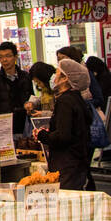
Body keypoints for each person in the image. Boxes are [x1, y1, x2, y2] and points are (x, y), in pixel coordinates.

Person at [36, 58, 93, 191]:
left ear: (65, 78)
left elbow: (63, 136)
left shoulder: (65, 102)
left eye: (56, 73)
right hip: (77, 163)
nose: (53, 78)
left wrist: (42, 135)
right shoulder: (77, 99)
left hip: (66, 165)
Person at [0, 41, 32, 135]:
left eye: (8, 56)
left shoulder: (25, 76)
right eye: (1, 57)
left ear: (15, 57)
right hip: (5, 126)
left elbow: (31, 97)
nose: (4, 60)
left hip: (24, 124)